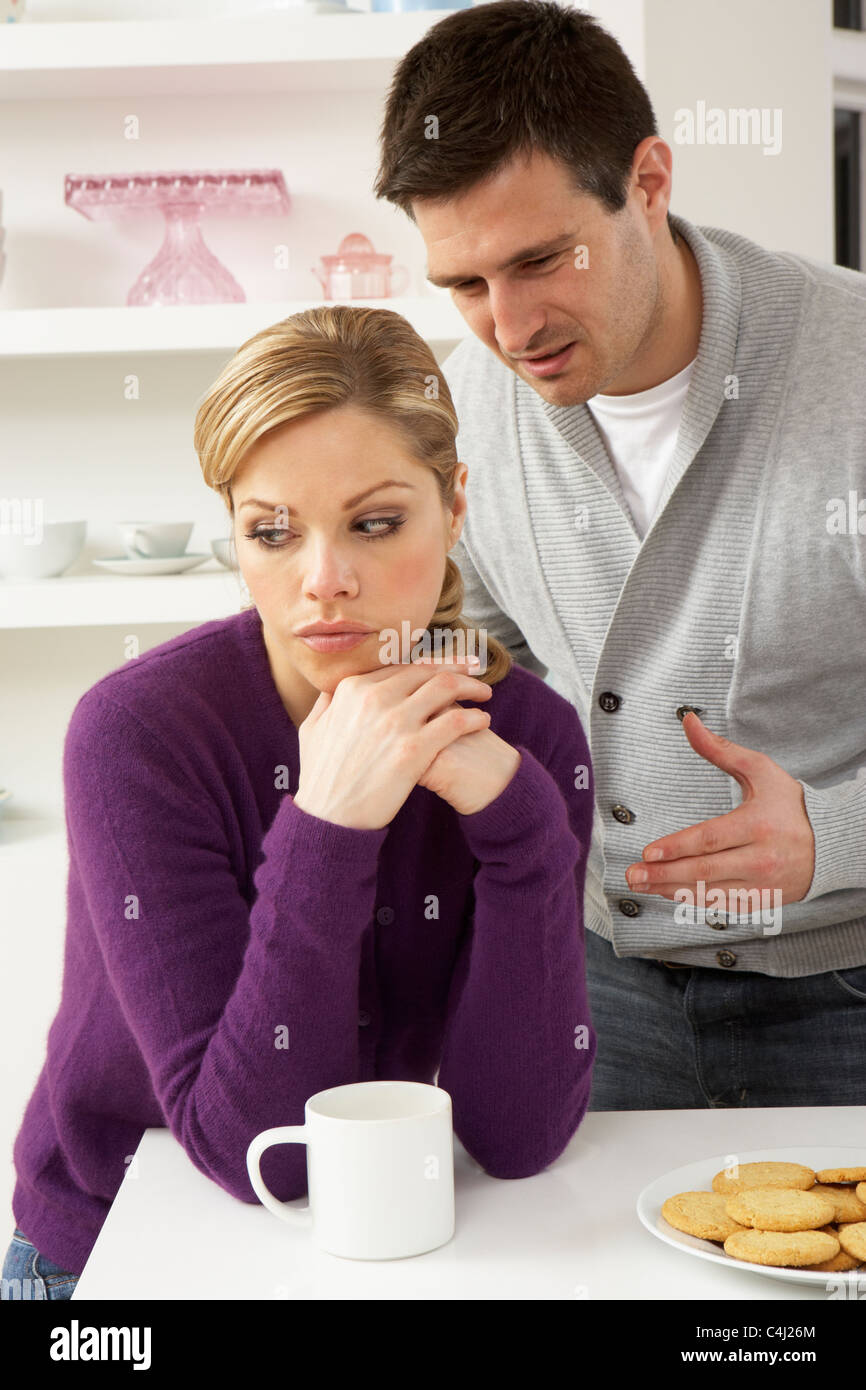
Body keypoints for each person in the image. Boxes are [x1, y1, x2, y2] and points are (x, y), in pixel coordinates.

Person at [2, 304, 596, 1299]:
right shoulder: (138, 738)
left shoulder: (526, 743)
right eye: (270, 532)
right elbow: (258, 1159)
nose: (323, 581)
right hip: (114, 1254)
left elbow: (517, 1137)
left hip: (382, 1241)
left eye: (373, 523)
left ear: (453, 507)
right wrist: (326, 827)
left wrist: (523, 834)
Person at [372, 0, 866, 1109]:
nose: (507, 326)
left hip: (843, 981)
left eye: (542, 258)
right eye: (462, 282)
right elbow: (485, 669)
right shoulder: (466, 412)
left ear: (648, 178)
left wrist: (831, 834)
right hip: (592, 978)